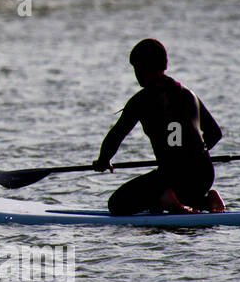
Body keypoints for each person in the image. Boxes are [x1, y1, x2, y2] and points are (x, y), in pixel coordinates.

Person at [93, 38, 224, 215]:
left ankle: (167, 200)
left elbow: (116, 135)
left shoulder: (141, 100)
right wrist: (192, 155)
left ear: (141, 68)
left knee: (117, 204)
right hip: (204, 175)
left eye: (135, 68)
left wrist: (103, 160)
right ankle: (205, 201)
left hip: (173, 177)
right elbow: (215, 133)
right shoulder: (188, 94)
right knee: (174, 188)